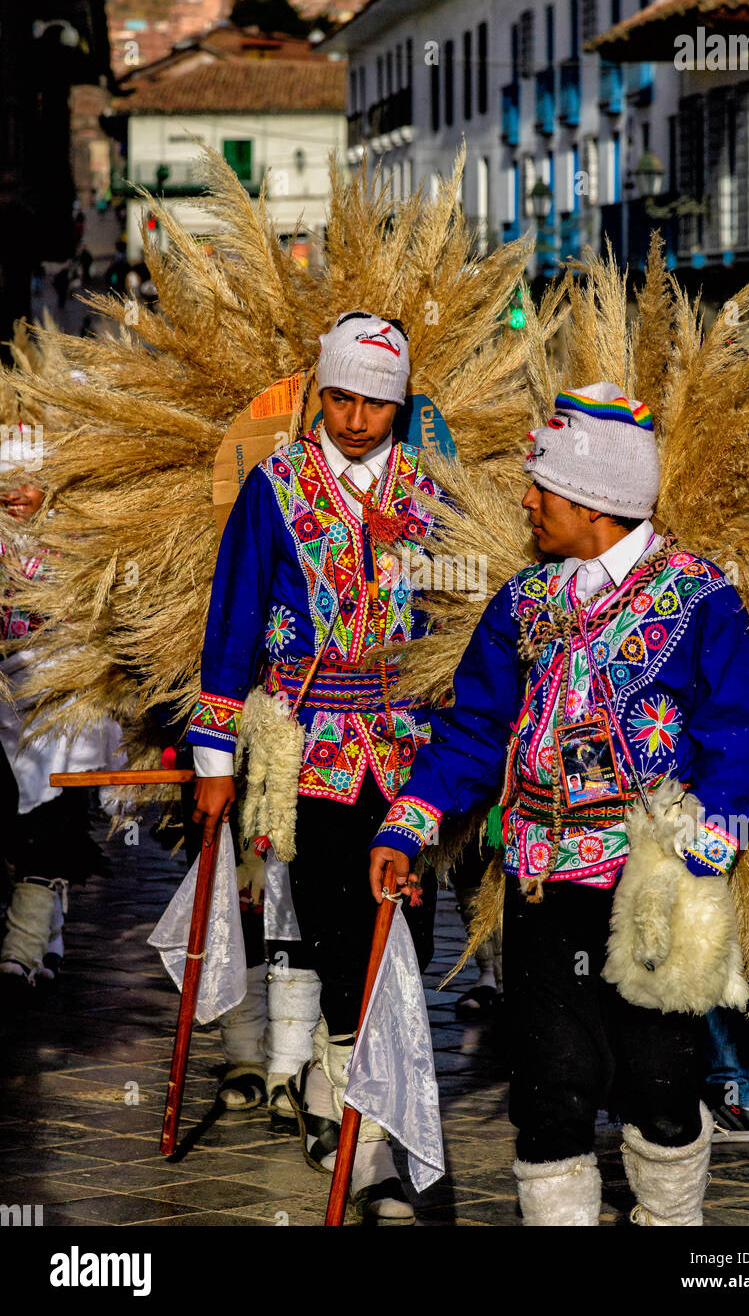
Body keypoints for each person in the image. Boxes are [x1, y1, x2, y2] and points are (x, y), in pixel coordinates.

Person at [369, 381, 749, 1227]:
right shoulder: (526, 603)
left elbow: (744, 739)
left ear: (596, 503)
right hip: (540, 888)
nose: (525, 500)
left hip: (654, 896)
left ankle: (671, 1223)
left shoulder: (703, 600)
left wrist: (701, 859)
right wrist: (409, 822)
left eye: (541, 487)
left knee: (660, 1088)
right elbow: (476, 727)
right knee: (549, 1088)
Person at [189, 311, 443, 1224]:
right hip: (310, 747)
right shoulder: (276, 487)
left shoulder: (430, 493)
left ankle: (386, 1107)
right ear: (318, 395)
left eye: (377, 402)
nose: (357, 417)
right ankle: (350, 1113)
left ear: (401, 404)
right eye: (341, 397)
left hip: (411, 749)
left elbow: (455, 623)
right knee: (339, 926)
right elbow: (235, 618)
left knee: (405, 926)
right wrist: (215, 753)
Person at [0, 467, 119, 991]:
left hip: (66, 694)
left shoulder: (81, 538)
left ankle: (22, 947)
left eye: (27, 480)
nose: (13, 492)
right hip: (7, 695)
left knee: (53, 810)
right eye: (2, 479)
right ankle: (47, 938)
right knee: (20, 814)